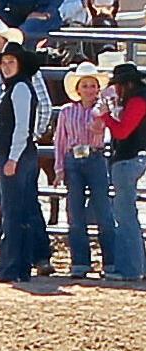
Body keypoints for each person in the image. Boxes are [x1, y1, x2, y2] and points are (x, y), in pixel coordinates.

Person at [0, 17, 53, 273]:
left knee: (25, 203)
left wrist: (28, 138)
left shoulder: (25, 78)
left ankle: (36, 256)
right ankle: (11, 254)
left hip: (15, 148)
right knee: (3, 203)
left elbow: (44, 108)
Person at [52, 62, 115, 278]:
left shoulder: (104, 110)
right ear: (78, 89)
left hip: (95, 157)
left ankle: (110, 261)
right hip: (73, 159)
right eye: (85, 85)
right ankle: (80, 262)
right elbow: (60, 141)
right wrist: (59, 168)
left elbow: (100, 132)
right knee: (75, 212)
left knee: (104, 211)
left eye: (92, 86)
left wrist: (102, 112)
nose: (89, 90)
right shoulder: (67, 111)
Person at [0, 42, 43, 283]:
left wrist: (11, 158)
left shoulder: (19, 88)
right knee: (19, 211)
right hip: (18, 154)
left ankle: (11, 267)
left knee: (12, 213)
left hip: (18, 155)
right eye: (4, 62)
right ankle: (20, 266)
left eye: (11, 62)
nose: (6, 66)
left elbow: (22, 127)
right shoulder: (18, 87)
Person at [99, 63, 146, 281]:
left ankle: (131, 268)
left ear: (126, 85)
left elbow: (123, 131)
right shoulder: (137, 99)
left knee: (125, 215)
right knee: (127, 215)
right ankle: (134, 267)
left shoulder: (137, 101)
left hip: (128, 159)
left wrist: (106, 117)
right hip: (132, 158)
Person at [0, 0, 64, 47]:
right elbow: (2, 3)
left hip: (45, 17)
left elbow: (55, 4)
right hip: (17, 16)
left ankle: (18, 58)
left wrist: (46, 14)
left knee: (28, 28)